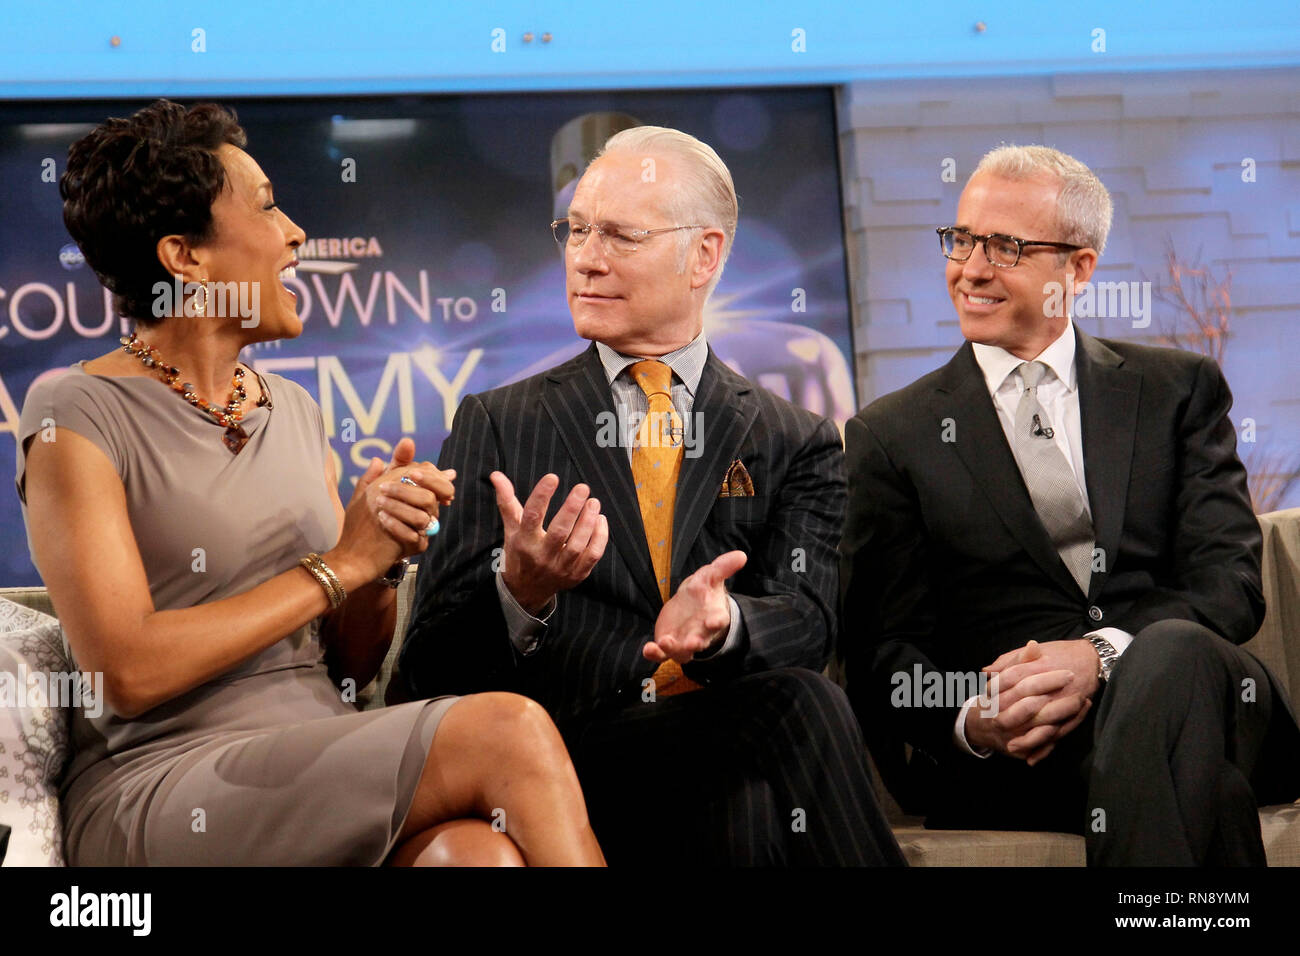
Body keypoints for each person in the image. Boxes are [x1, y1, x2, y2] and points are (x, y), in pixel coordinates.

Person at [17, 99, 604, 866]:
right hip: (161, 781)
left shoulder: (293, 409)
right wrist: (337, 566)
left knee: (471, 857)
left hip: (319, 744)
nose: (295, 233)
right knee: (508, 730)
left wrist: (380, 560)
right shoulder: (73, 410)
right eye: (265, 207)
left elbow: (352, 665)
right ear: (184, 258)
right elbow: (125, 670)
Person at [396, 125, 904, 866]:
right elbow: (425, 676)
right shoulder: (500, 424)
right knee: (799, 711)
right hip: (568, 757)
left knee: (754, 784)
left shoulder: (795, 440)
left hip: (721, 732)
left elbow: (809, 625)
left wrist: (726, 625)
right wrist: (519, 594)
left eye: (621, 236)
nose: (586, 259)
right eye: (576, 231)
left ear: (705, 255)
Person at [840, 144, 1300, 865]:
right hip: (1036, 748)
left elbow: (1230, 586)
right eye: (961, 240)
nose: (972, 269)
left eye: (1007, 247)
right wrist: (974, 714)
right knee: (1206, 791)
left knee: (1169, 651)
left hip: (1215, 696)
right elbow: (884, 653)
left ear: (1079, 268)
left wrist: (1100, 655)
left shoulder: (1176, 390)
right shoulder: (890, 436)